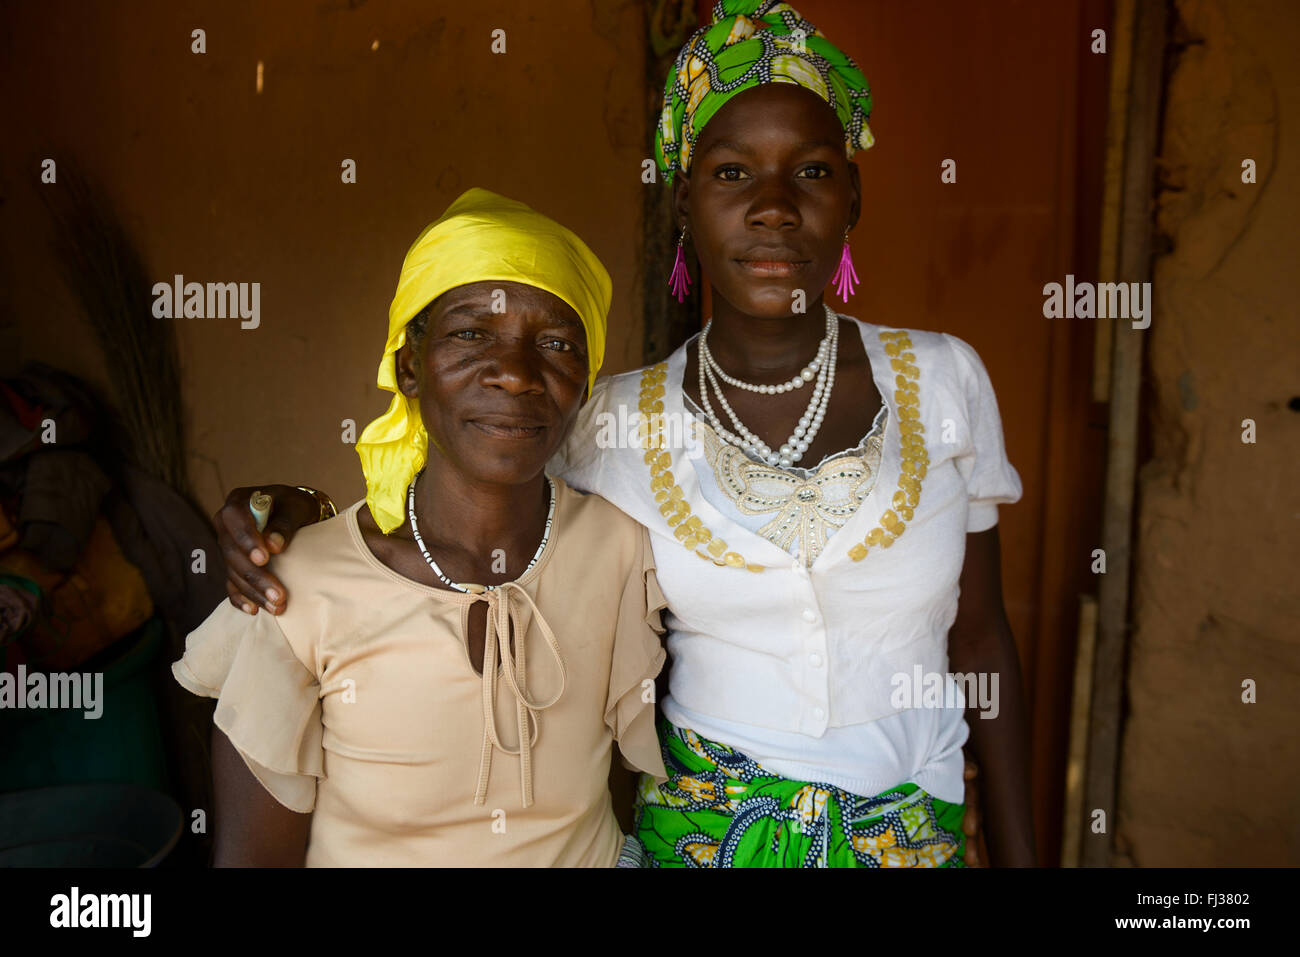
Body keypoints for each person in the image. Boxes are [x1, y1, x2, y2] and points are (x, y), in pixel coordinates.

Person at [216, 1, 1034, 867]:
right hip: (702, 837)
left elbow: (980, 638)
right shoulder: (608, 421)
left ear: (853, 196)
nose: (772, 207)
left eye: (813, 171)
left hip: (913, 832)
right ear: (685, 201)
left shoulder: (946, 381)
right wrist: (288, 514)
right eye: (731, 174)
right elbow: (458, 492)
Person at [175, 188, 669, 867]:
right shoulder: (297, 588)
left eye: (555, 342)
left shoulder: (620, 549)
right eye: (471, 333)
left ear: (583, 384)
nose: (515, 373)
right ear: (410, 366)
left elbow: (608, 784)